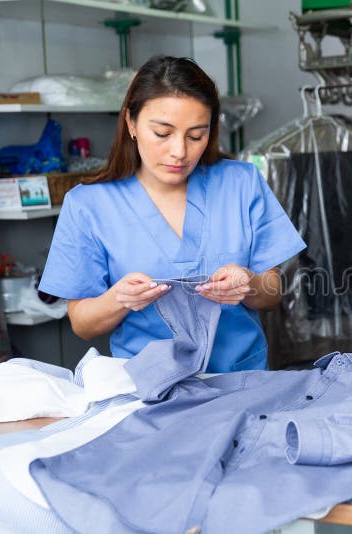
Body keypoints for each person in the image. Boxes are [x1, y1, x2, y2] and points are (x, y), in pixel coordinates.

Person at [38, 56, 305, 372]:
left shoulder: (240, 182)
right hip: (148, 390)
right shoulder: (88, 205)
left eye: (196, 136)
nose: (180, 151)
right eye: (163, 133)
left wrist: (248, 284)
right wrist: (119, 298)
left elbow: (272, 293)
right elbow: (82, 324)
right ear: (131, 123)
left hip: (240, 381)